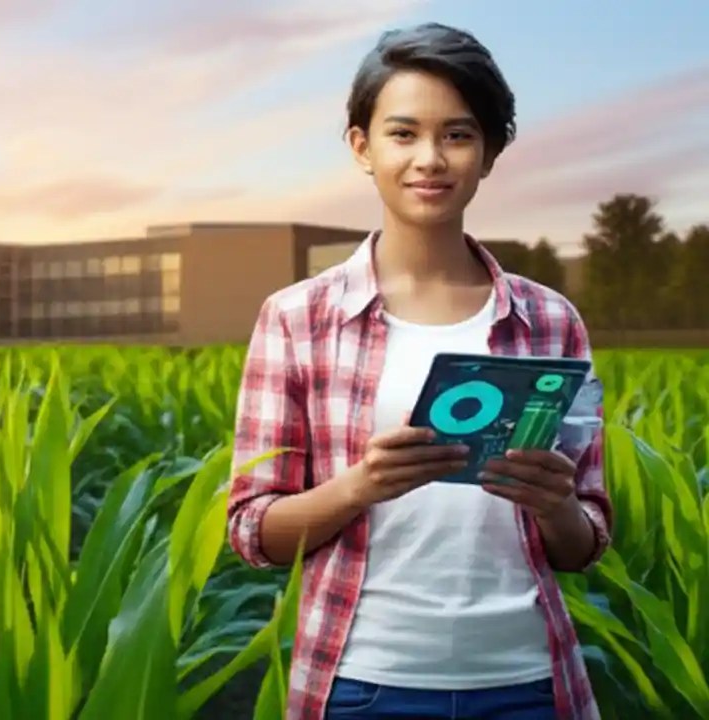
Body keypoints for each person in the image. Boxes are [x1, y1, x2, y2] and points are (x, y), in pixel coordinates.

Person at [226, 22, 612, 720]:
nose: (430, 159)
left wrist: (555, 503)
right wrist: (359, 489)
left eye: (458, 135)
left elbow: (585, 543)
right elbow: (254, 531)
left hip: (530, 682)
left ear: (490, 152)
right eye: (403, 133)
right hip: (361, 684)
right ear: (361, 147)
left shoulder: (551, 320)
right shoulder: (296, 318)